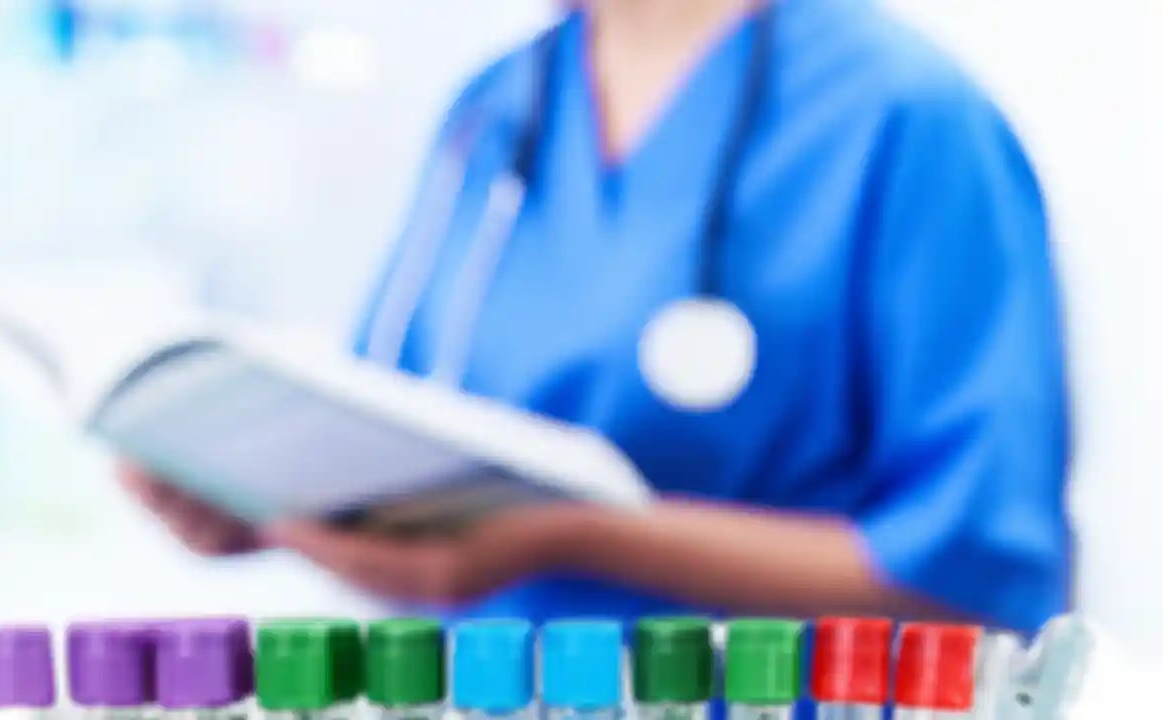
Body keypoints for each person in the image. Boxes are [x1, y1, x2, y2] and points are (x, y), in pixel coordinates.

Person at [121, 0, 1070, 635]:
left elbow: (979, 573)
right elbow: (388, 439)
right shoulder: (492, 109)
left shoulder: (906, 117)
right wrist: (264, 507)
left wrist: (576, 536)